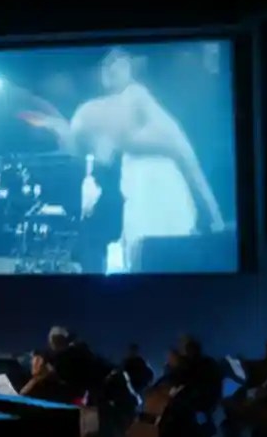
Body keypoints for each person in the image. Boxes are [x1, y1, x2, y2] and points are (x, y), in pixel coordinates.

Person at [21, 47, 227, 273]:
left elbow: (186, 158)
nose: (109, 68)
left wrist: (215, 218)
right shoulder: (106, 118)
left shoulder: (139, 103)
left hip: (163, 218)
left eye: (118, 62)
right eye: (106, 64)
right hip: (141, 219)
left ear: (131, 65)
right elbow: (99, 153)